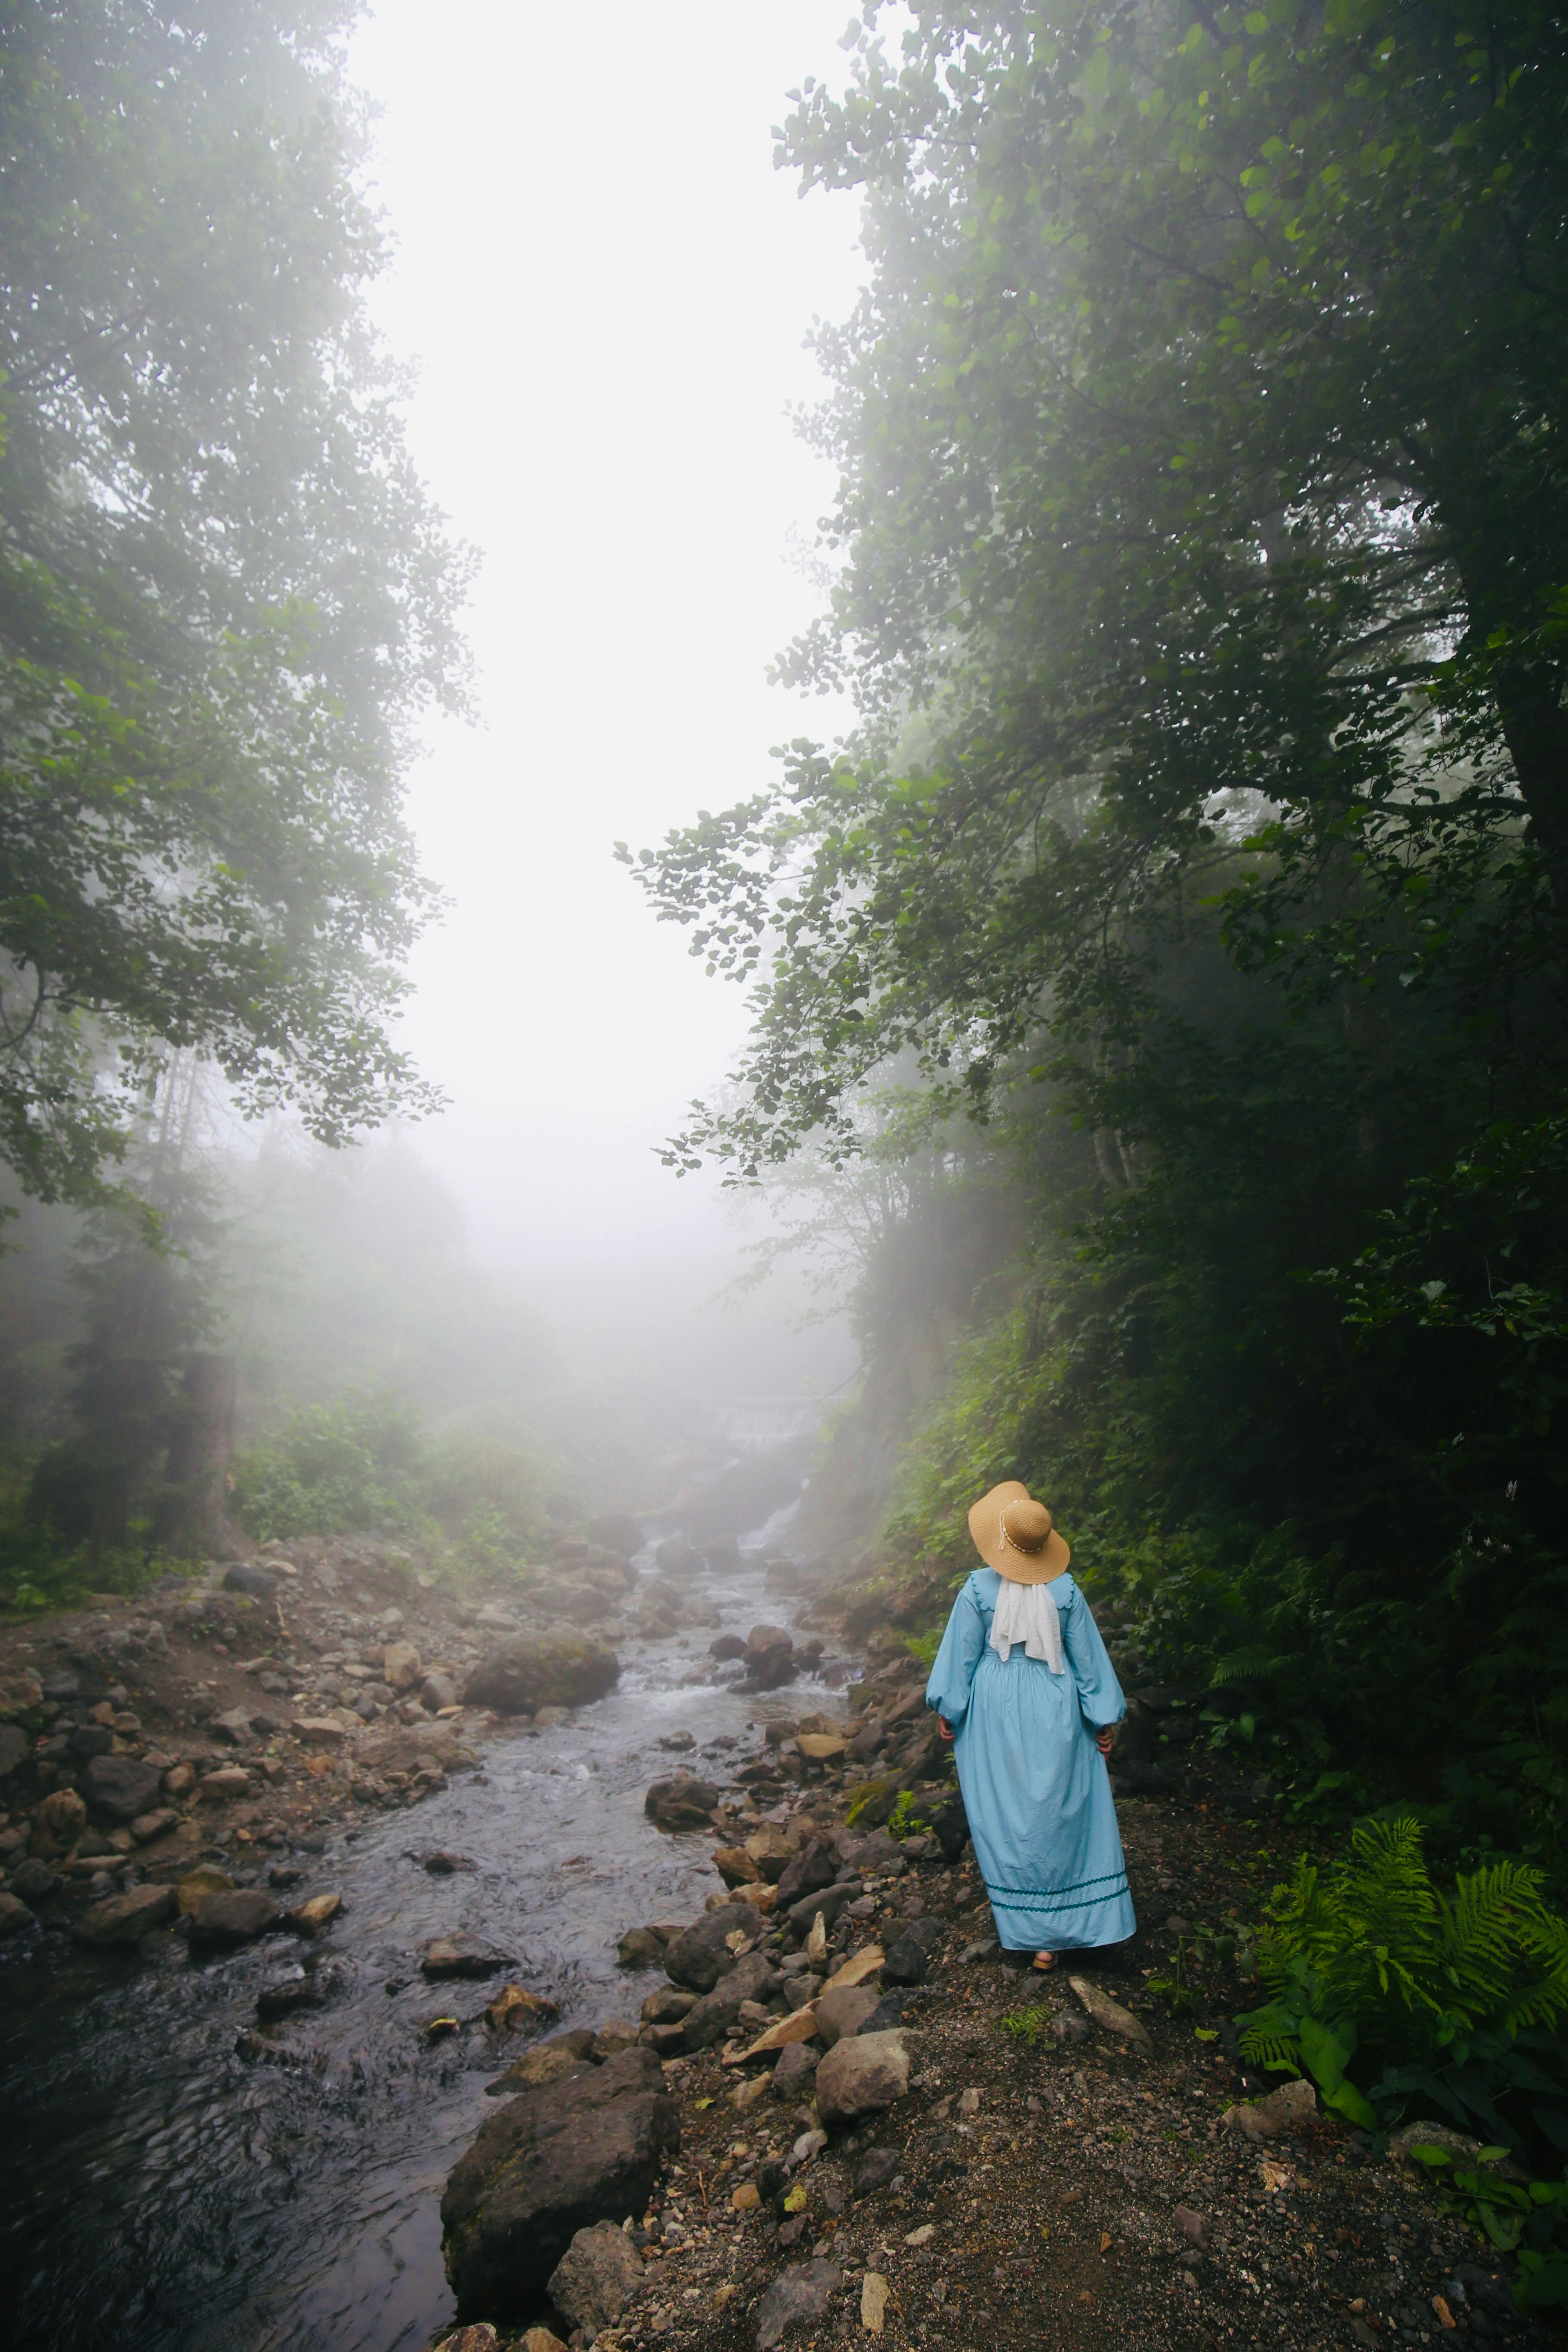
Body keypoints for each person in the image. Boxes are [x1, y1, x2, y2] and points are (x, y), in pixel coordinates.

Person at [925, 1480, 1136, 1971]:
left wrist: (949, 1709)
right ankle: (1078, 1923)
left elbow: (961, 1655)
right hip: (1057, 1699)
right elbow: (1088, 1660)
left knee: (1008, 1813)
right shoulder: (1066, 1590)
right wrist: (1102, 1717)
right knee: (1060, 1808)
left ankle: (1034, 1932)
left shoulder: (977, 1589)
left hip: (995, 1707)